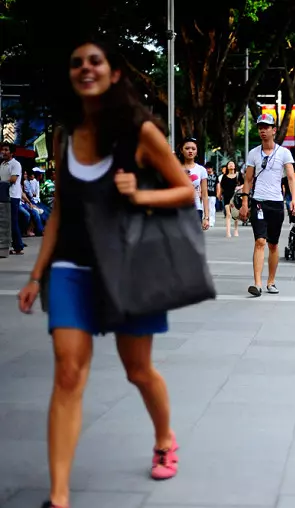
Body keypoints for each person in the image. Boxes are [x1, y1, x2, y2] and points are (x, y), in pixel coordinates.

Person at [15, 39, 196, 508]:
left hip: (130, 266)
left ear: (114, 73)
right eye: (76, 62)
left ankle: (164, 438)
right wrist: (36, 275)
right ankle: (58, 497)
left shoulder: (139, 132)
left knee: (137, 370)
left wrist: (140, 194)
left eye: (94, 61)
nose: (84, 68)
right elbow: (57, 210)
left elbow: (183, 192)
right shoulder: (64, 134)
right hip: (72, 266)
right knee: (68, 373)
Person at [239, 113, 295, 296]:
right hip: (259, 201)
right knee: (260, 241)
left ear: (274, 130)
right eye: (260, 127)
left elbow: (290, 177)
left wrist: (294, 199)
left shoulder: (284, 153)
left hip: (276, 203)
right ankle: (257, 283)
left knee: (273, 244)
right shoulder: (253, 153)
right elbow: (248, 180)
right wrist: (245, 202)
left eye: (266, 127)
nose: (263, 131)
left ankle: (270, 281)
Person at [178, 137, 210, 230]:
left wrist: (206, 217)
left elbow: (204, 194)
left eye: (193, 149)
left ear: (196, 152)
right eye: (187, 148)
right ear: (181, 150)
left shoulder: (201, 170)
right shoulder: (176, 168)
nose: (190, 151)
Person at [0, 142, 25, 254]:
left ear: (12, 152)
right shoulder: (2, 164)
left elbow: (13, 179)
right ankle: (7, 245)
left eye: (6, 150)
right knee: (5, 223)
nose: (3, 152)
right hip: (4, 196)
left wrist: (1, 183)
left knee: (13, 222)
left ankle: (18, 246)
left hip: (13, 196)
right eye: (2, 150)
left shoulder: (16, 164)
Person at [219, 160, 240, 238]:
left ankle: (236, 230)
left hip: (235, 197)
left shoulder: (238, 175)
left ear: (234, 166)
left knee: (235, 215)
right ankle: (228, 232)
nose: (231, 165)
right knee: (228, 214)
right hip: (227, 197)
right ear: (227, 167)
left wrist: (239, 187)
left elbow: (244, 184)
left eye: (232, 164)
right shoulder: (224, 176)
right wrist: (219, 194)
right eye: (229, 164)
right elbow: (221, 187)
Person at [205, 161, 217, 228]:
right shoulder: (204, 175)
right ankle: (205, 220)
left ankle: (211, 221)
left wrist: (218, 193)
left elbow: (217, 184)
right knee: (205, 208)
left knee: (212, 208)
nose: (208, 170)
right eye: (207, 168)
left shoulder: (215, 175)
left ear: (212, 168)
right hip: (205, 194)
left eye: (210, 168)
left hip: (213, 194)